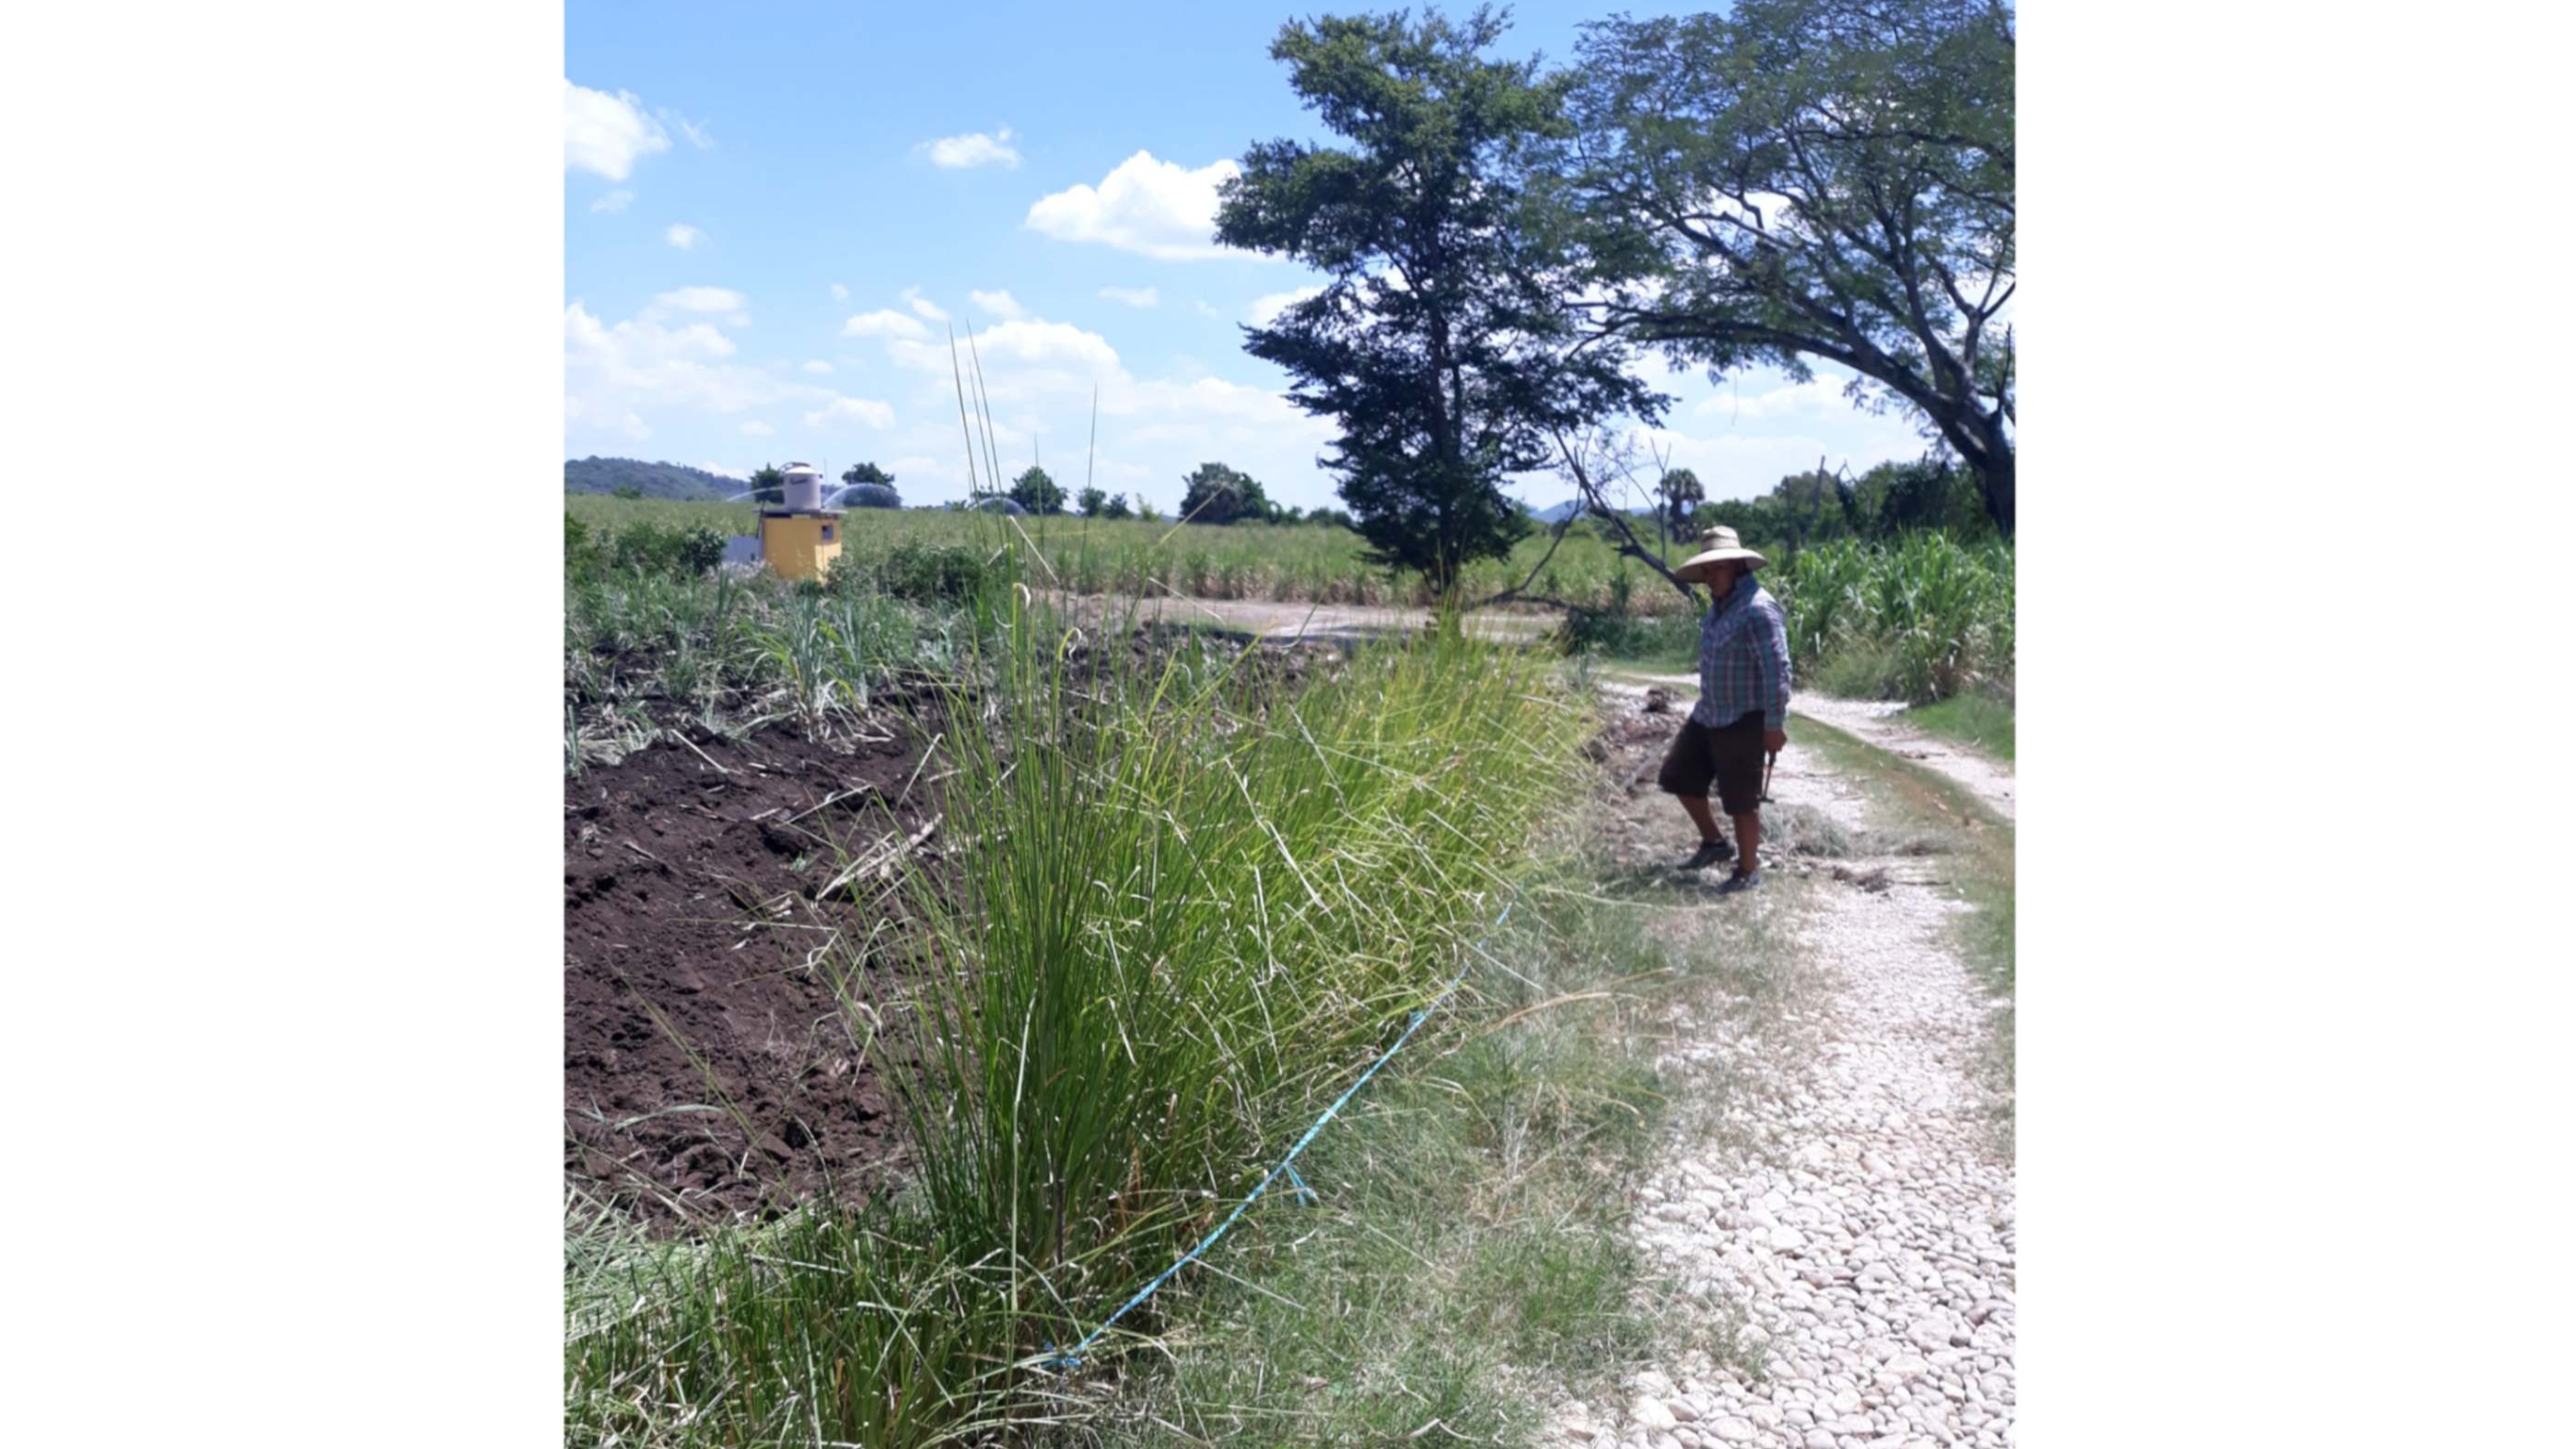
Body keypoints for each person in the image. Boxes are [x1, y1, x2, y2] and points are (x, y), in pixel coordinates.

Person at [1656, 526, 1791, 893]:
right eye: (1706, 570)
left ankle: (1748, 872)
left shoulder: (1758, 610)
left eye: (1716, 569)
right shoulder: (1719, 608)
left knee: (1741, 800)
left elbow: (1778, 670)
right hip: (1709, 713)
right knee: (1678, 776)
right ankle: (1715, 843)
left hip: (1743, 718)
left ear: (1735, 566)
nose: (1708, 577)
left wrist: (1774, 726)